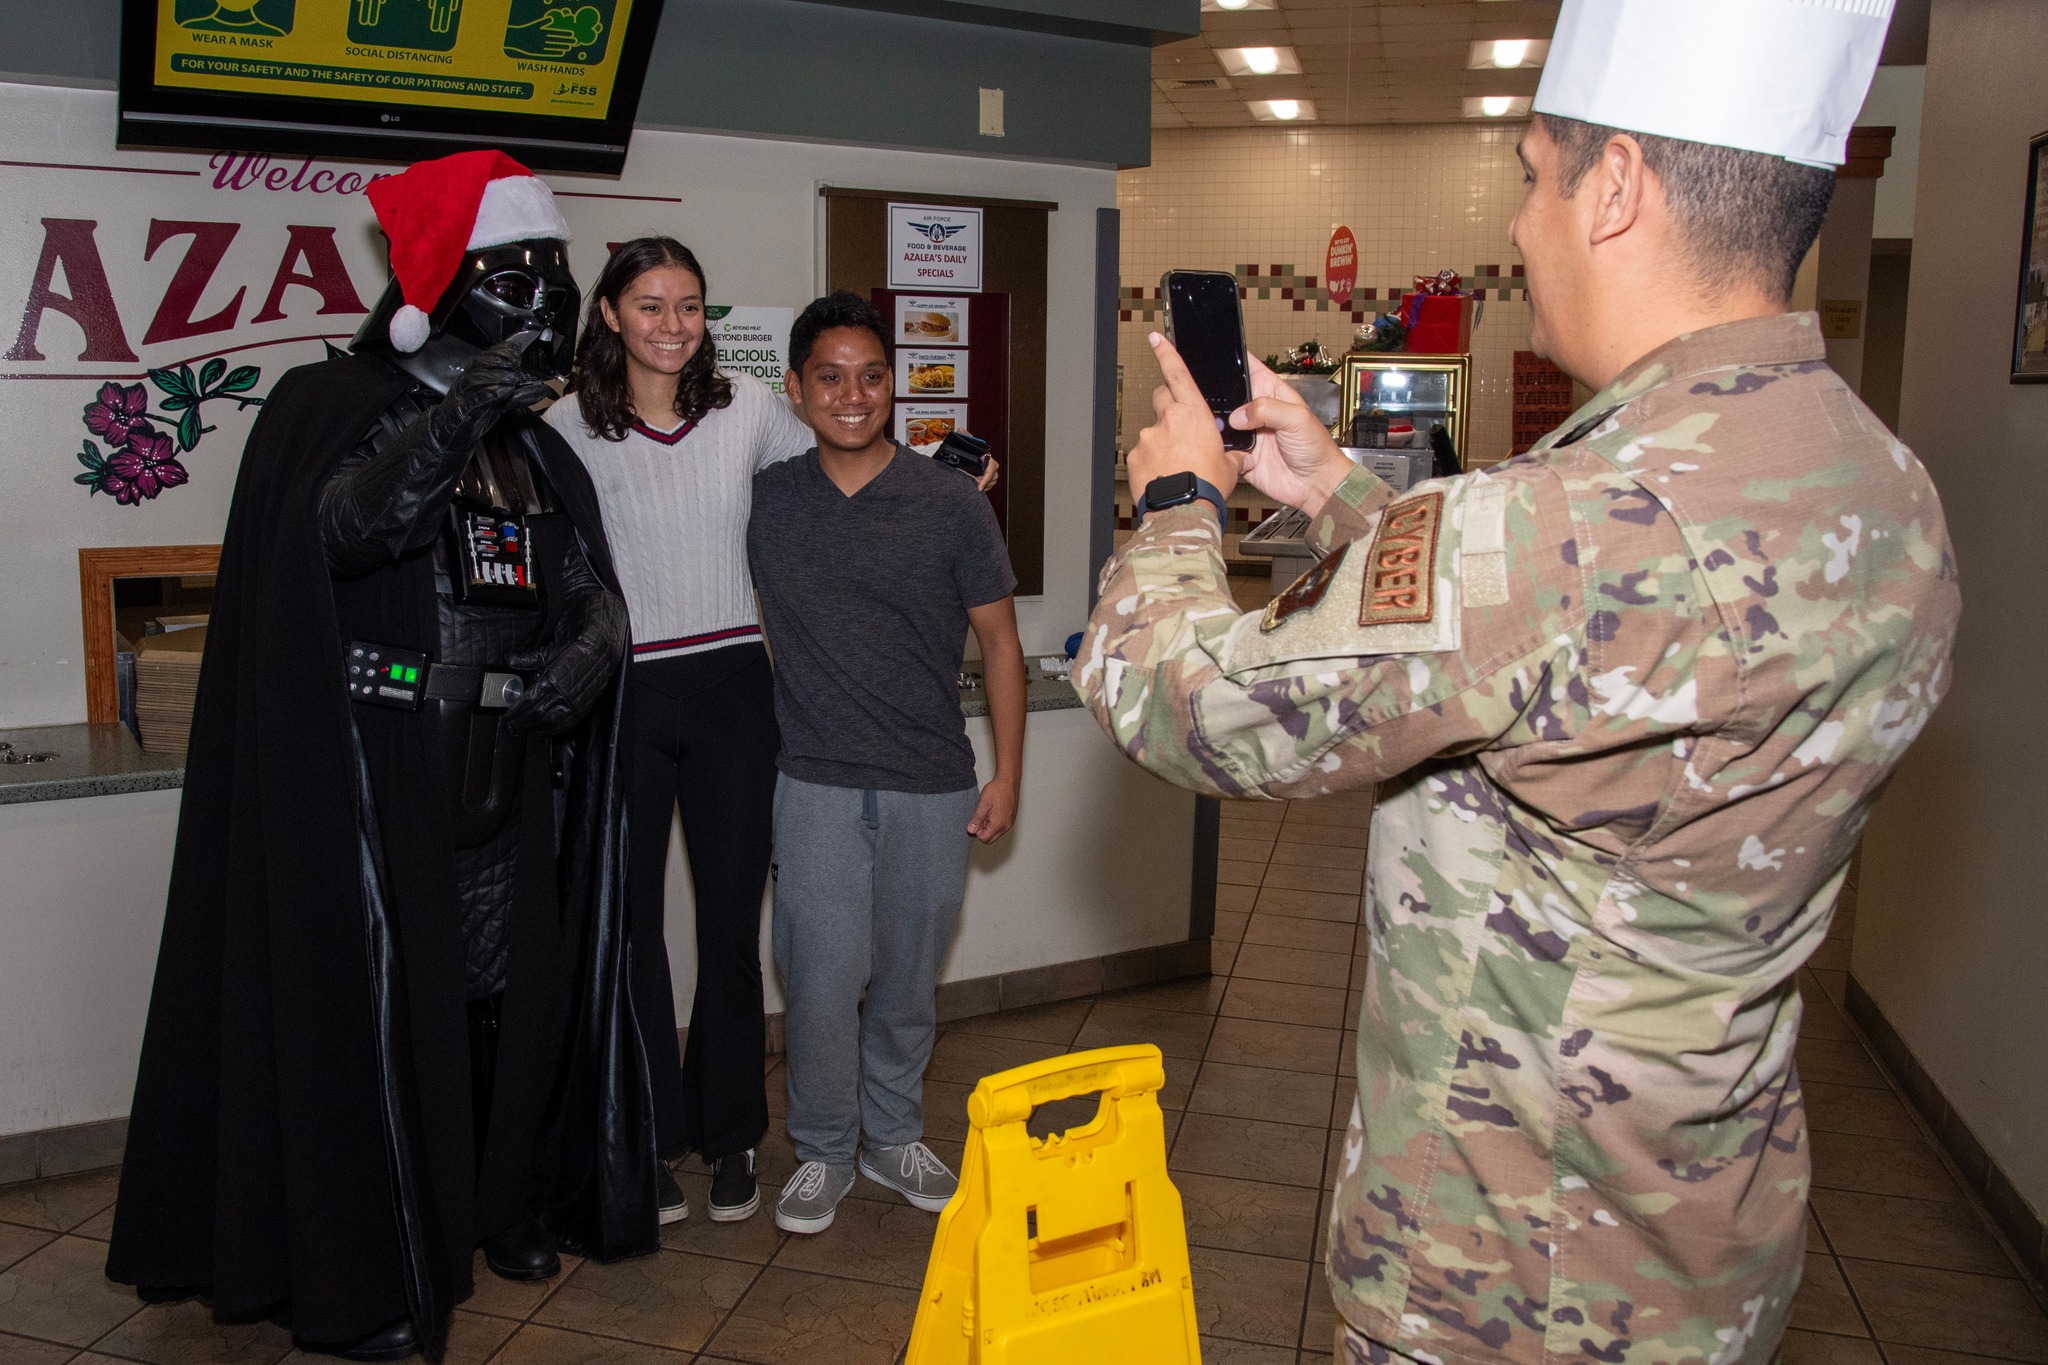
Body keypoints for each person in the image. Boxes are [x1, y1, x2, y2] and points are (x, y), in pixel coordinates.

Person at [1073, 2, 1957, 1362]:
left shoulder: (1561, 527)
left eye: (1535, 177)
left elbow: (1183, 702)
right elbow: (1589, 655)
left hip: (1504, 1281)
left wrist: (1177, 504)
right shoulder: (1883, 489)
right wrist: (1341, 494)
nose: (1517, 224)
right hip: (1701, 1251)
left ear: (1616, 189)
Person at [106, 151, 658, 1362]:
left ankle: (497, 1204)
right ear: (434, 288)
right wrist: (460, 408)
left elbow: (585, 583)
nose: (545, 302)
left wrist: (591, 644)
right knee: (377, 1014)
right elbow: (351, 528)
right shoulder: (331, 402)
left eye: (556, 277)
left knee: (503, 1000)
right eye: (512, 278)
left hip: (510, 768)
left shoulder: (536, 447)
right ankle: (366, 1270)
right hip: (370, 773)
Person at [546, 245, 1000, 1227]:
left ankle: (733, 1137)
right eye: (650, 305)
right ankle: (646, 1136)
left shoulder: (746, 408)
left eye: (689, 305)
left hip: (734, 695)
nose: (671, 324)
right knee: (629, 930)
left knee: (730, 933)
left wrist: (952, 483)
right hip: (624, 693)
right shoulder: (565, 425)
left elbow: (848, 457)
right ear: (610, 314)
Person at [747, 291, 1026, 1234]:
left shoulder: (950, 503)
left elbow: (1000, 645)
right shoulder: (769, 498)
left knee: (908, 979)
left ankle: (893, 1134)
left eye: (871, 375)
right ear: (796, 389)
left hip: (932, 782)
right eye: (830, 376)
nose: (853, 394)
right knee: (820, 980)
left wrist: (1008, 774)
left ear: (894, 385)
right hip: (814, 781)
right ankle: (825, 1147)